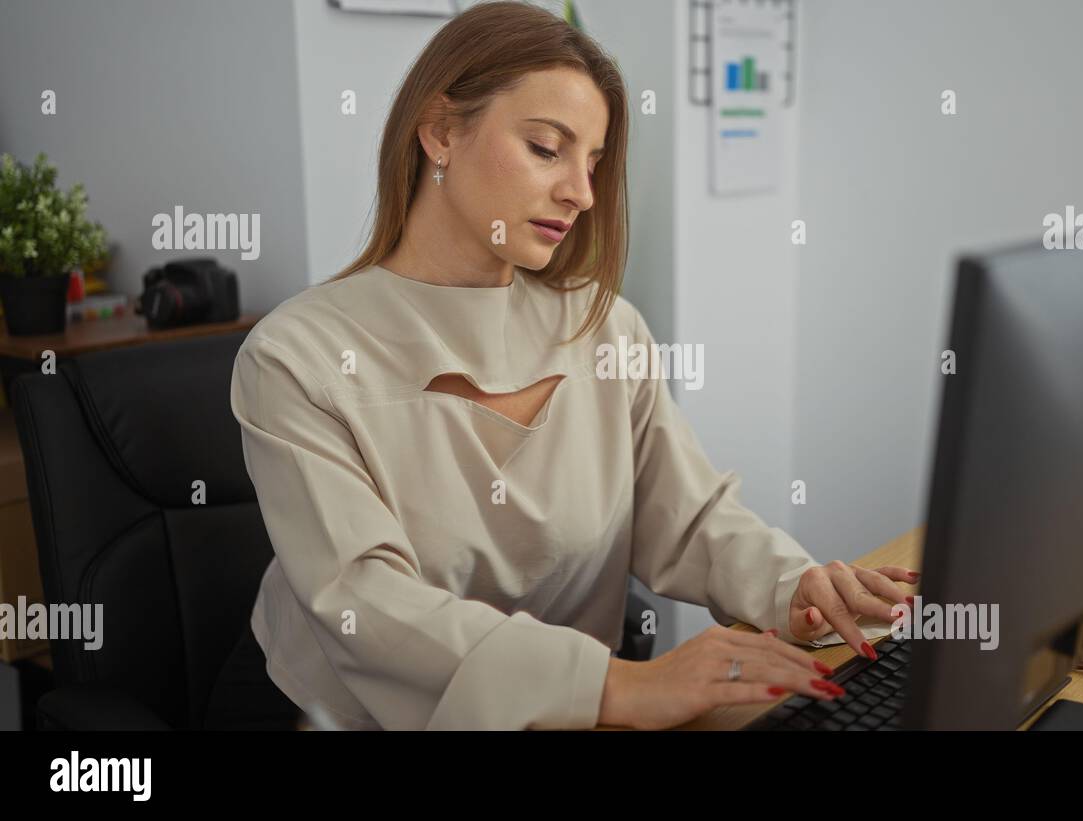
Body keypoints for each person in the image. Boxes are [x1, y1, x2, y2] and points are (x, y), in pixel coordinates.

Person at [227, 0, 917, 731]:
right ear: (439, 132)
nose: (581, 194)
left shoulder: (604, 326)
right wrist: (615, 686)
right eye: (547, 148)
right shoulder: (294, 357)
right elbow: (367, 604)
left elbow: (687, 517)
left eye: (591, 163)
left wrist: (793, 585)